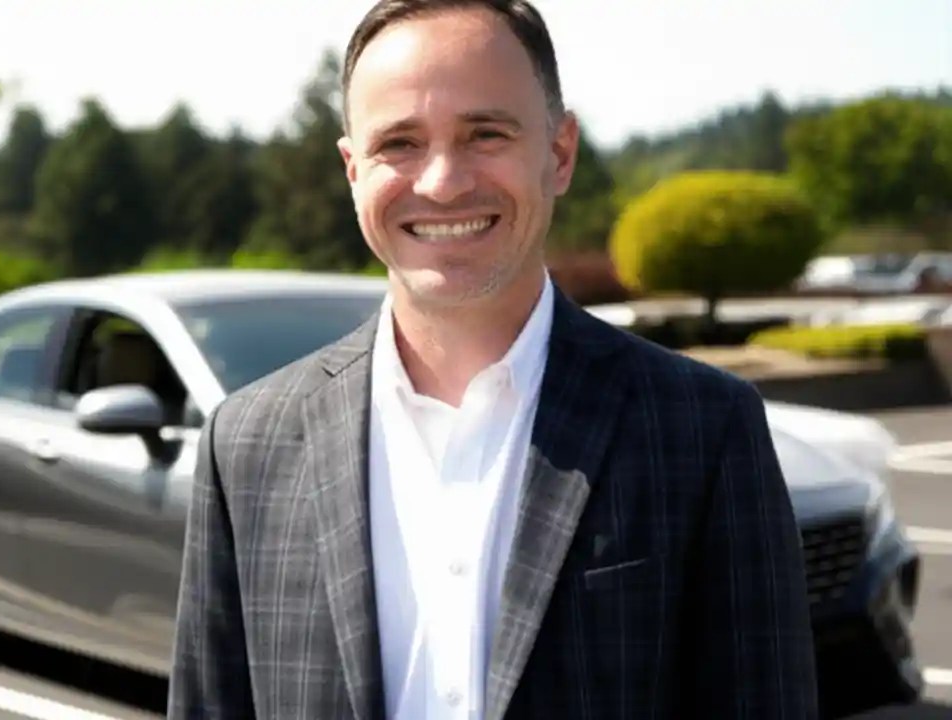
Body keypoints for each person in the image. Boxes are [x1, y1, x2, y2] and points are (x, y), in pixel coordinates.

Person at [168, 1, 819, 718]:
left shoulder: (702, 429)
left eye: (485, 133)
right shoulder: (248, 444)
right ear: (353, 170)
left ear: (560, 154)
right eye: (400, 144)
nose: (443, 182)